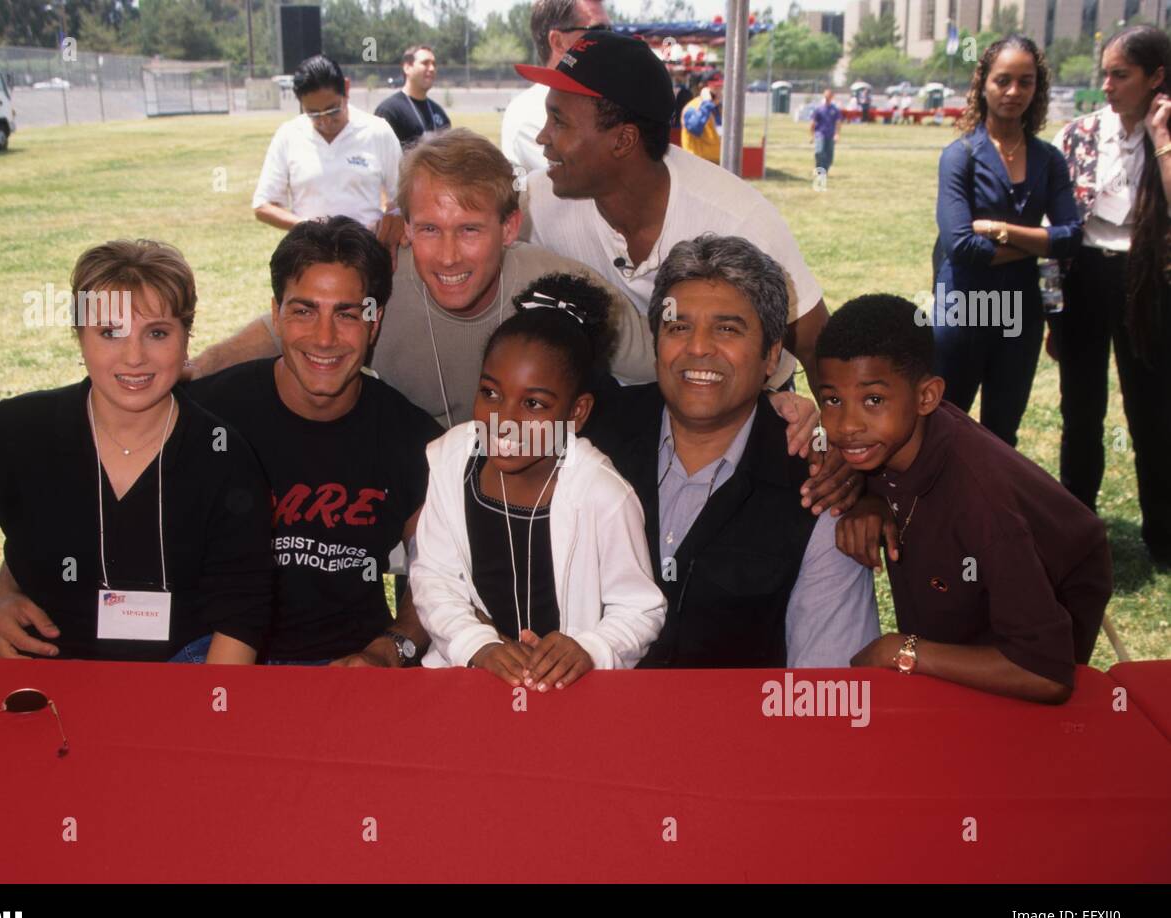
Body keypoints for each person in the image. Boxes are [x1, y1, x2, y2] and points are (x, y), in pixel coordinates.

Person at [0, 219, 440, 667]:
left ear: (375, 322)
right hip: (202, 658)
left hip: (343, 667)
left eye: (346, 314)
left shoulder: (412, 440)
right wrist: (10, 588)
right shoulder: (204, 413)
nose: (324, 337)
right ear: (277, 314)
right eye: (303, 310)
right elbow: (89, 501)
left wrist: (390, 648)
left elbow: (442, 572)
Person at [0, 240, 274, 666]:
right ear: (79, 337)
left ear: (186, 337)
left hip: (185, 668)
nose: (134, 357)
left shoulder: (223, 454)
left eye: (157, 333)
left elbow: (242, 608)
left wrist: (207, 706)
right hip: (49, 670)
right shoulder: (17, 432)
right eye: (109, 332)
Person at [191, 129, 658, 426]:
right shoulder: (382, 279)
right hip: (418, 492)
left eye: (470, 230)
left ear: (510, 228)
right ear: (406, 226)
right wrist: (188, 373)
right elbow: (278, 332)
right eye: (430, 229)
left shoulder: (562, 291)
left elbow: (659, 365)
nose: (449, 257)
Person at [584, 236, 879, 668]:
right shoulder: (591, 439)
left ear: (771, 354)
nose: (698, 347)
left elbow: (824, 688)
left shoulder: (817, 489)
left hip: (740, 733)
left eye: (727, 329)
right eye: (678, 327)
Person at [818, 295, 1112, 704]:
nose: (847, 425)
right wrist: (871, 500)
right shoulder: (891, 440)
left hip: (1031, 633)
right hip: (965, 606)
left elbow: (1046, 673)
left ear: (927, 397)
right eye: (832, 399)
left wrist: (901, 651)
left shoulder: (983, 505)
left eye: (873, 400)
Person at [517, 29, 833, 392]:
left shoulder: (737, 220)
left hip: (741, 404)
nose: (542, 136)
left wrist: (823, 438)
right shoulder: (536, 202)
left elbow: (815, 345)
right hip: (624, 406)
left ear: (623, 140)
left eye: (559, 121)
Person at [411, 274, 666, 687]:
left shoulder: (603, 493)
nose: (504, 422)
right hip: (468, 678)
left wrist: (590, 648)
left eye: (533, 404)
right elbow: (433, 578)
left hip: (566, 692)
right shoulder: (450, 462)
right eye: (490, 393)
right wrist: (478, 645)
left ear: (576, 413)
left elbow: (640, 609)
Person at [1052, 24, 1171, 567]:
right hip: (1084, 281)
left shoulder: (1167, 137)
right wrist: (1053, 310)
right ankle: (1077, 523)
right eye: (1104, 73)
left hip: (1147, 286)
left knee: (1151, 412)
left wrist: (1163, 140)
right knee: (1080, 410)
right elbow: (1054, 231)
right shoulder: (1077, 135)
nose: (1107, 85)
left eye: (1120, 75)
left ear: (1156, 77)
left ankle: (1162, 533)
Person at [933, 34, 1082, 447]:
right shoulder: (959, 156)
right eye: (1003, 80)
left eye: (1026, 81)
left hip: (1020, 312)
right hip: (963, 308)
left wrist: (1001, 231)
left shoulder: (1048, 159)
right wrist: (1038, 242)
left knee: (1003, 434)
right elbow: (962, 247)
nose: (1014, 92)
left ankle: (992, 512)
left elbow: (1071, 237)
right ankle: (941, 512)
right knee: (946, 425)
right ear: (983, 84)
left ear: (1038, 88)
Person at [252, 54, 404, 257]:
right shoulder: (289, 135)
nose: (324, 121)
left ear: (346, 89)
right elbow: (263, 206)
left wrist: (387, 225)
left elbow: (402, 198)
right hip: (309, 257)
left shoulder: (377, 131)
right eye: (313, 114)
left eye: (333, 110)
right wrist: (306, 226)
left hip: (366, 256)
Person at [501, 0, 611, 178]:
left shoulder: (604, 97)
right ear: (558, 42)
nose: (612, 41)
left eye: (611, 32)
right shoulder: (527, 113)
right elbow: (587, 188)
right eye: (599, 32)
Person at [375, 44, 450, 151]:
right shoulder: (389, 111)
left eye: (434, 64)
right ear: (407, 68)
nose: (432, 68)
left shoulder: (439, 112)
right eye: (425, 63)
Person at [680, 70, 723, 165]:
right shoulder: (692, 107)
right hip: (697, 163)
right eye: (715, 87)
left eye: (720, 86)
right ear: (703, 88)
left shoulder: (720, 108)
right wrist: (707, 104)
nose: (719, 90)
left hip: (718, 163)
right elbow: (695, 128)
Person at [810, 89, 842, 178]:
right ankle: (819, 170)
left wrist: (837, 134)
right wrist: (812, 135)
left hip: (830, 135)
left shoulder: (835, 110)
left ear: (832, 97)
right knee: (819, 152)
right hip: (819, 134)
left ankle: (825, 171)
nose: (827, 98)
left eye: (829, 96)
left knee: (829, 155)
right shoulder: (819, 109)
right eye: (826, 96)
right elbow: (813, 123)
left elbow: (838, 123)